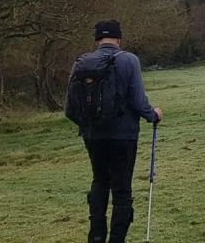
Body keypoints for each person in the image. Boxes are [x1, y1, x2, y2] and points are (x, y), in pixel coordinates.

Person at [67, 20, 162, 243]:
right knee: (122, 188)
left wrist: (88, 125)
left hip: (93, 136)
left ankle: (96, 236)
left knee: (100, 181)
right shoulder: (129, 60)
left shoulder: (81, 63)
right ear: (119, 39)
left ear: (97, 40)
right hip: (124, 136)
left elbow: (69, 108)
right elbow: (138, 100)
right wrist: (154, 115)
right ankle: (117, 239)